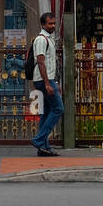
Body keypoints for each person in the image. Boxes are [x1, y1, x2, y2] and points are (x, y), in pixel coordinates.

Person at [29, 11, 63, 157]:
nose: (53, 26)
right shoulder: (41, 39)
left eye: (54, 23)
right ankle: (39, 139)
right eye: (50, 23)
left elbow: (49, 63)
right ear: (43, 24)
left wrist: (54, 81)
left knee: (47, 111)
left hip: (47, 79)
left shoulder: (49, 39)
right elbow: (41, 62)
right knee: (58, 108)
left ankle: (43, 147)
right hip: (44, 80)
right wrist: (48, 83)